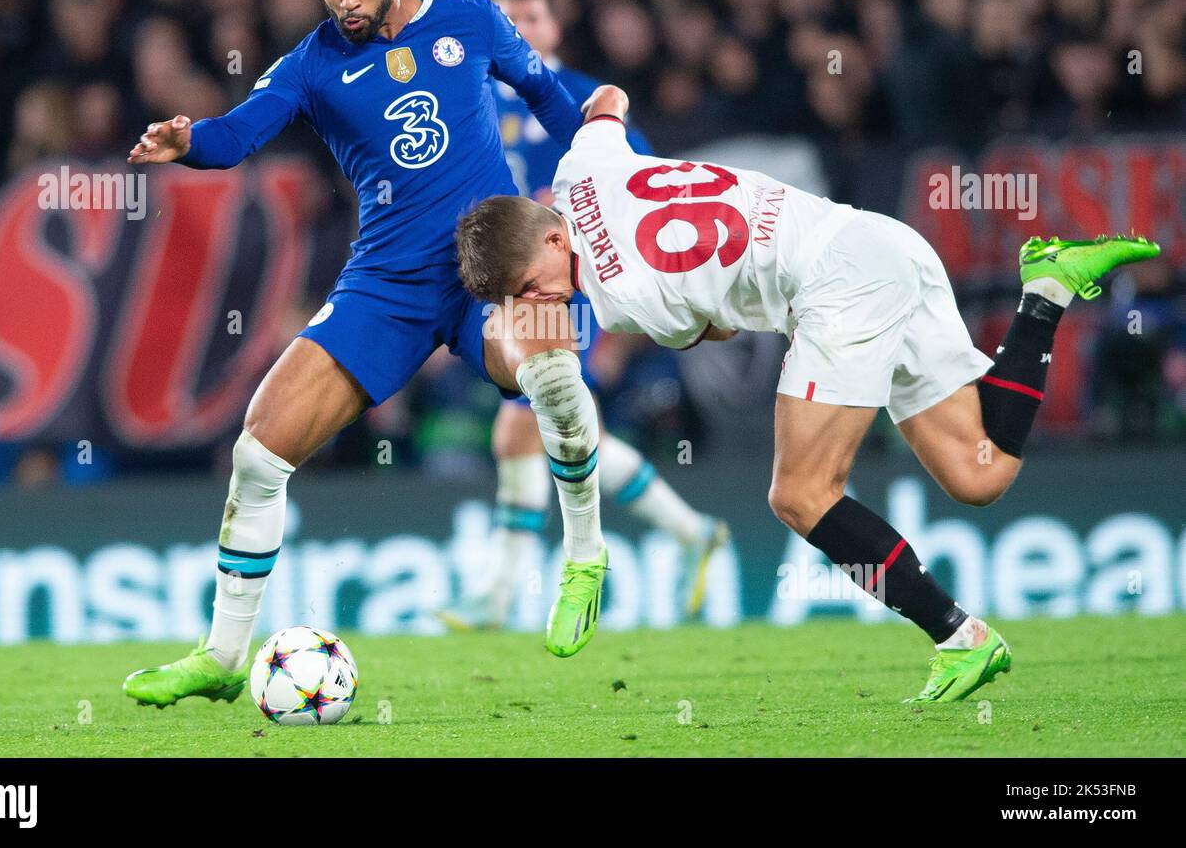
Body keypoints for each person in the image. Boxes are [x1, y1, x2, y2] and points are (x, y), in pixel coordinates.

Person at [455, 84, 1162, 702]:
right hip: (876, 239)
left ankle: (961, 637)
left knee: (799, 493)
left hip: (836, 287)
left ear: (553, 237)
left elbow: (717, 334)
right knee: (981, 471)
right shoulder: (582, 165)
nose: (539, 301)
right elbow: (607, 99)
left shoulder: (622, 299)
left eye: (528, 286)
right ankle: (1046, 289)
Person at [121, 0, 612, 709]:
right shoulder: (310, 65)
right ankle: (219, 655)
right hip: (385, 283)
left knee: (554, 367)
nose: (346, 0)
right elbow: (240, 134)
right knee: (257, 452)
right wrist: (190, 142)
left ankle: (585, 558)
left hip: (496, 262)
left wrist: (602, 174)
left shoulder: (472, 18)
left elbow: (553, 102)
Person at [438, 0, 727, 633]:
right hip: (513, 284)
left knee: (524, 423)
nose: (521, 32)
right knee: (547, 428)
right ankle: (691, 531)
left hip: (568, 279)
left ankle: (500, 592)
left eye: (531, 19)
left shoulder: (570, 99)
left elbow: (640, 186)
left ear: (554, 28)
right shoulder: (467, 100)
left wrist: (627, 312)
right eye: (508, 22)